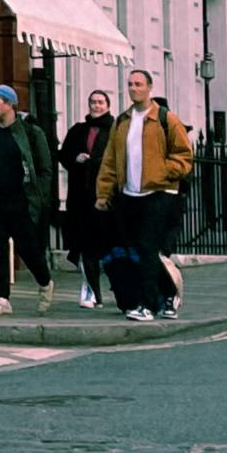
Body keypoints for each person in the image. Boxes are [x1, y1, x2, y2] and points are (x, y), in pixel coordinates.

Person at [96, 68, 196, 320]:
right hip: (129, 195)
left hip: (160, 193)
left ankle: (147, 305)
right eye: (130, 84)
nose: (133, 88)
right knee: (139, 250)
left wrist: (163, 172)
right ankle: (170, 294)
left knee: (148, 246)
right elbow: (109, 161)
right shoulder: (121, 122)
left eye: (139, 84)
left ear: (150, 88)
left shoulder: (166, 119)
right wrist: (103, 193)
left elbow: (185, 156)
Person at [0, 85, 54, 308]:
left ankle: (45, 282)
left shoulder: (31, 133)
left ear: (9, 104)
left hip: (22, 201)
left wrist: (41, 198)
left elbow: (45, 168)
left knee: (28, 249)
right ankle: (2, 299)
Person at [56, 89, 116, 311]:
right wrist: (76, 159)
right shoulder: (78, 130)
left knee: (111, 247)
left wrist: (96, 161)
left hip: (108, 198)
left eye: (100, 102)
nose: (96, 106)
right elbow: (62, 156)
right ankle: (91, 291)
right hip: (81, 198)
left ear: (108, 105)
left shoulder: (115, 130)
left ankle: (121, 292)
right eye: (93, 102)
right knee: (87, 247)